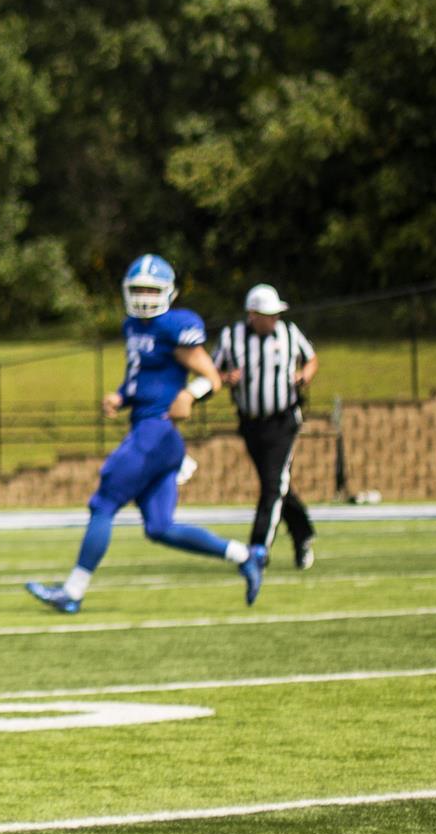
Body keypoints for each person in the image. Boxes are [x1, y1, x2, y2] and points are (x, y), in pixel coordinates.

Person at [26, 254, 267, 613]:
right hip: (153, 431)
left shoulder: (175, 326)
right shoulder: (133, 327)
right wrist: (121, 397)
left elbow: (211, 376)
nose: (143, 296)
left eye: (151, 290)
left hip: (157, 432)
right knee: (159, 527)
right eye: (138, 288)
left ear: (168, 292)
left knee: (104, 502)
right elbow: (141, 378)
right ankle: (246, 554)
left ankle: (73, 592)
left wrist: (189, 394)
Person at [214, 283, 319, 570]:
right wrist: (226, 378)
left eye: (275, 314)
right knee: (276, 486)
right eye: (267, 314)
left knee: (273, 485)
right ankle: (303, 534)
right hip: (250, 423)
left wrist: (304, 376)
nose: (273, 319)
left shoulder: (288, 332)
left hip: (283, 421)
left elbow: (311, 358)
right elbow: (212, 371)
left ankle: (258, 549)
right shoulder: (230, 337)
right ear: (252, 314)